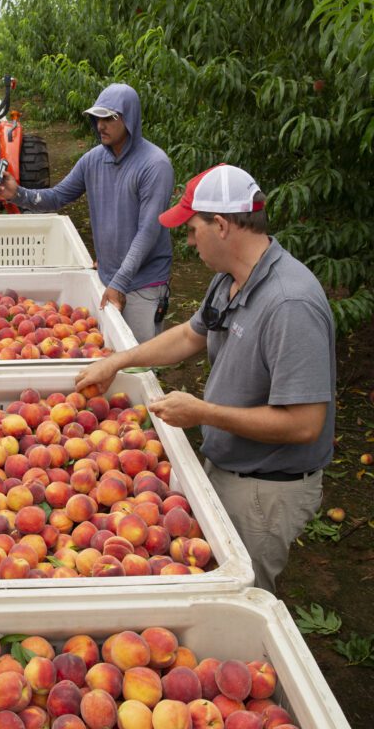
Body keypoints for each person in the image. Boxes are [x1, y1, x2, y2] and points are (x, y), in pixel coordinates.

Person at [75, 163, 336, 593]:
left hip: (265, 489)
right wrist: (118, 361)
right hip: (228, 465)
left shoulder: (290, 303)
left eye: (193, 228)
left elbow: (305, 424)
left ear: (221, 225)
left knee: (240, 593)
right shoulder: (230, 280)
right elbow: (188, 336)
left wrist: (204, 413)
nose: (189, 240)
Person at [0, 83, 174, 343]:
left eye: (109, 118)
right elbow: (56, 197)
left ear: (130, 119)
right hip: (111, 279)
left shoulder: (154, 165)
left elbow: (148, 231)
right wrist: (17, 193)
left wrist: (120, 281)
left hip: (143, 284)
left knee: (139, 360)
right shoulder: (93, 161)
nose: (101, 125)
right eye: (97, 118)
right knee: (112, 354)